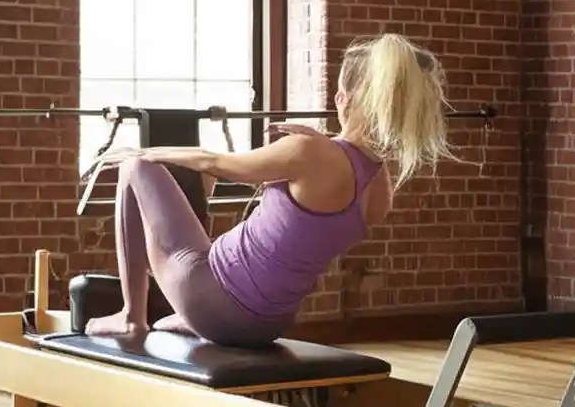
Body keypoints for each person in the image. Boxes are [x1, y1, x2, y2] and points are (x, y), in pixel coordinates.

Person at [85, 33, 454, 347]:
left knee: (135, 168)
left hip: (210, 297)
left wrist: (143, 151)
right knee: (211, 248)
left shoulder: (308, 151)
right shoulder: (379, 187)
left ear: (347, 99)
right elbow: (316, 210)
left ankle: (130, 317)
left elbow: (214, 162)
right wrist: (322, 142)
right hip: (267, 324)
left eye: (339, 93)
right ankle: (191, 317)